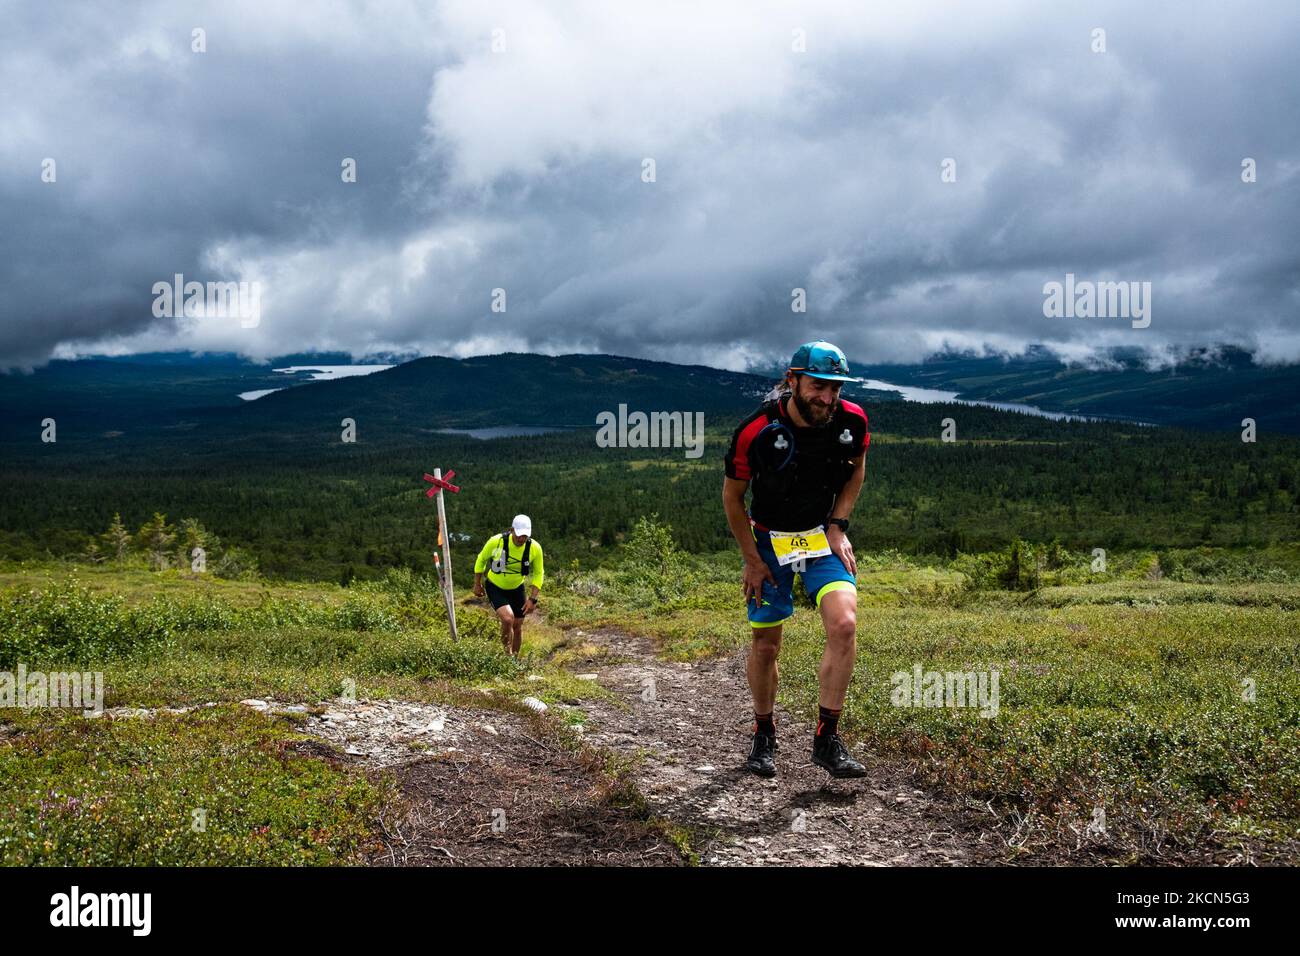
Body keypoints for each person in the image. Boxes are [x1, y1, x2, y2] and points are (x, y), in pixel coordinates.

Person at [722, 341, 869, 778]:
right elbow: (733, 498)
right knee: (767, 644)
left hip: (820, 537)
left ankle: (827, 739)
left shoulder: (852, 420)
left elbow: (857, 468)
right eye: (818, 386)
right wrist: (752, 560)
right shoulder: (755, 430)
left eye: (835, 388)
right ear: (793, 380)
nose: (827, 398)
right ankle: (763, 735)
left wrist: (838, 524)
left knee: (844, 623)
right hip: (768, 540)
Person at [473, 514, 544, 657]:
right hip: (495, 586)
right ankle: (507, 656)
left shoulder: (534, 548)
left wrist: (533, 599)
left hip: (517, 588)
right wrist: (477, 584)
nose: (521, 539)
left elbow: (538, 573)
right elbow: (481, 560)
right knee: (507, 619)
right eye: (518, 535)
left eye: (525, 536)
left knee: (517, 626)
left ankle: (515, 661)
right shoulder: (496, 542)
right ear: (512, 530)